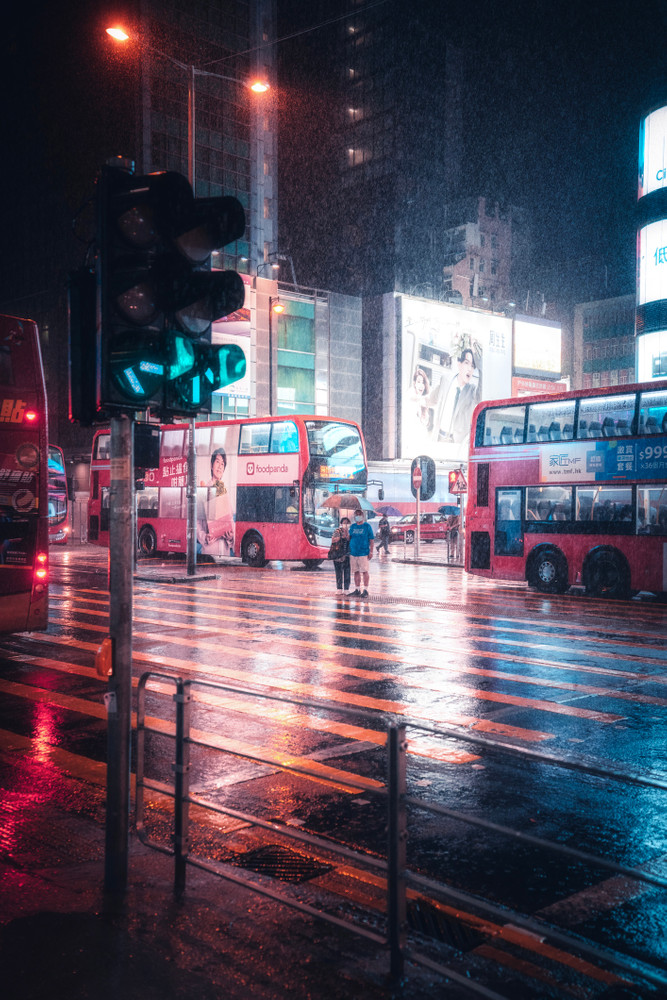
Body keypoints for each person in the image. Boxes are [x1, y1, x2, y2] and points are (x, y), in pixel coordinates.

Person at [433, 346, 481, 445]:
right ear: (459, 364)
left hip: (458, 444)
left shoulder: (472, 390)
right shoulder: (445, 380)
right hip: (439, 437)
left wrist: (480, 365)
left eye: (472, 366)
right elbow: (432, 398)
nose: (469, 369)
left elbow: (480, 396)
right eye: (467, 363)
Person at [197, 446, 234, 555]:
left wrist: (231, 537)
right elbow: (197, 522)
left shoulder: (225, 491)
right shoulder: (204, 490)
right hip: (210, 550)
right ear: (211, 465)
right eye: (217, 462)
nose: (220, 466)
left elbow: (230, 519)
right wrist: (204, 537)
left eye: (222, 464)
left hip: (225, 552)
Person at [346, 509, 374, 598]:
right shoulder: (353, 526)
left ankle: (365, 590)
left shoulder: (367, 526)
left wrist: (371, 551)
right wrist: (346, 533)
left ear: (363, 515)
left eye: (360, 514)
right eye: (356, 514)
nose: (358, 516)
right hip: (353, 552)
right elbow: (348, 538)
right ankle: (357, 589)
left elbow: (371, 540)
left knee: (364, 571)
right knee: (356, 571)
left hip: (363, 552)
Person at [329, 516, 351, 594]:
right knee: (338, 571)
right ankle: (339, 588)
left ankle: (346, 588)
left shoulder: (350, 531)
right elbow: (333, 539)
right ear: (341, 524)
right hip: (338, 554)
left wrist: (348, 536)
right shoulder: (337, 531)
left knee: (347, 571)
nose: (346, 524)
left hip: (347, 555)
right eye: (344, 523)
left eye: (347, 523)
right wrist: (341, 537)